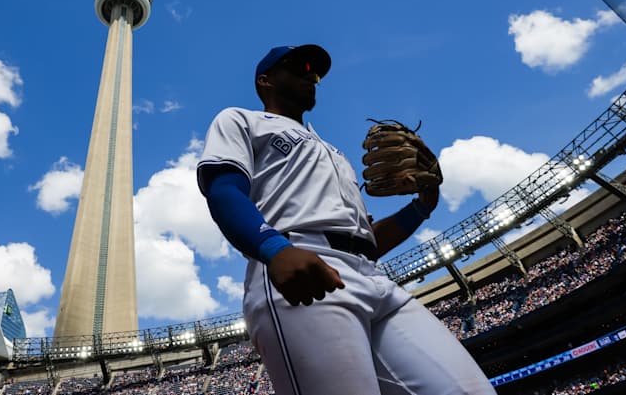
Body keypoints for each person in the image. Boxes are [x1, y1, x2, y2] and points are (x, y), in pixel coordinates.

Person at [197, 44, 496, 395]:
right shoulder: (241, 120)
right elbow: (224, 191)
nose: (311, 75)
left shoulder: (335, 154)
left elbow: (367, 239)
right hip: (303, 267)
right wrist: (273, 248)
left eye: (315, 72)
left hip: (373, 277)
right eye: (297, 67)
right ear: (265, 81)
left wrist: (422, 206)